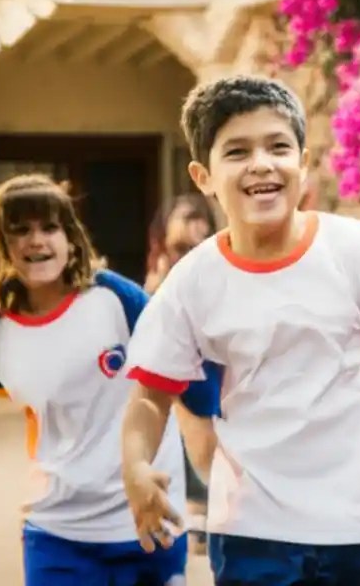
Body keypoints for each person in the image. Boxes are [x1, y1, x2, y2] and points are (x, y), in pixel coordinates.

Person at [119, 75, 360, 586]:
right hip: (251, 526)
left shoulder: (357, 251)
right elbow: (150, 398)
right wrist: (135, 467)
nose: (261, 163)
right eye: (237, 151)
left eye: (278, 147)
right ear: (203, 176)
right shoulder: (192, 282)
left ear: (303, 163)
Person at [0, 174, 214, 586]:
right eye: (20, 230)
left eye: (50, 227)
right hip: (56, 531)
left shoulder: (118, 299)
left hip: (148, 522)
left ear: (71, 238)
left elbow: (198, 386)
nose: (37, 241)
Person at [145, 192, 221, 556]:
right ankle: (195, 507)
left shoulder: (218, 259)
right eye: (184, 218)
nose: (193, 227)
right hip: (178, 360)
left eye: (198, 219)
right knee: (181, 433)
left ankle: (208, 504)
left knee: (211, 435)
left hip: (213, 357)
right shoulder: (161, 269)